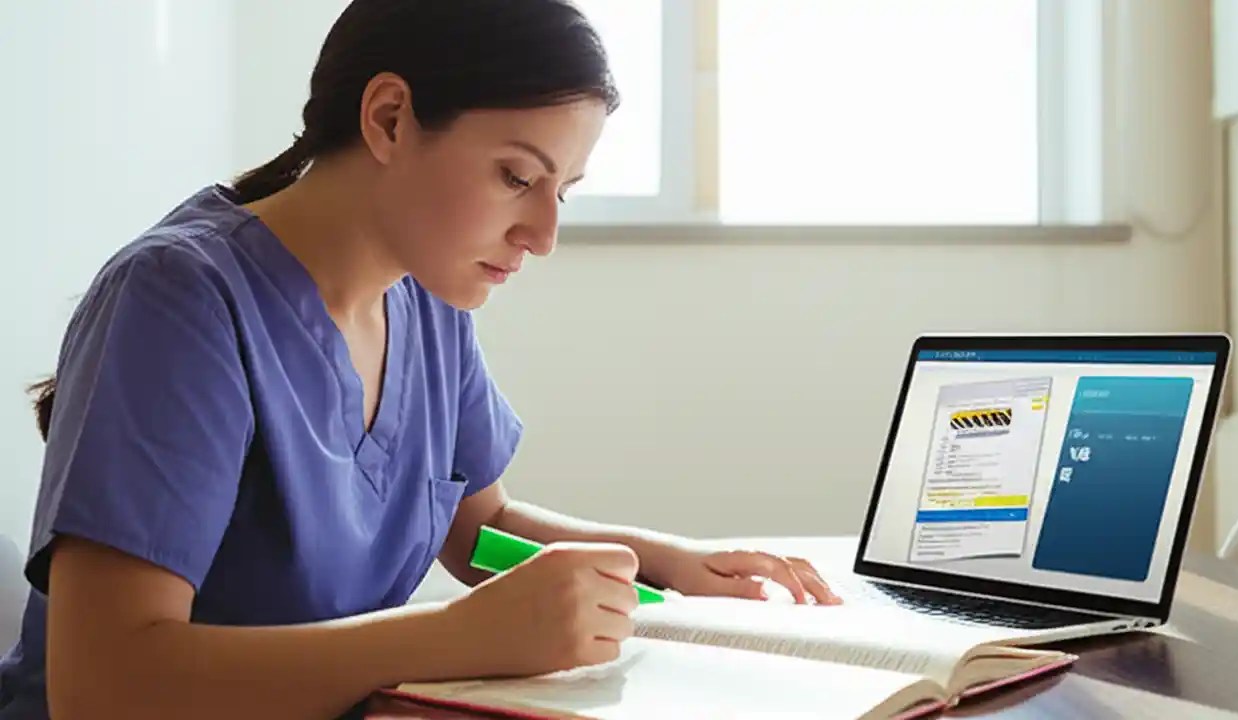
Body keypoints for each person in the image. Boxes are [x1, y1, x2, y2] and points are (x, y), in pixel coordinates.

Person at [0, 1, 842, 718]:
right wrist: (457, 638)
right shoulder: (181, 299)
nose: (543, 235)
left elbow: (477, 530)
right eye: (517, 177)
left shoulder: (425, 294)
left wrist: (669, 563)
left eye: (564, 191)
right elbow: (103, 686)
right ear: (390, 118)